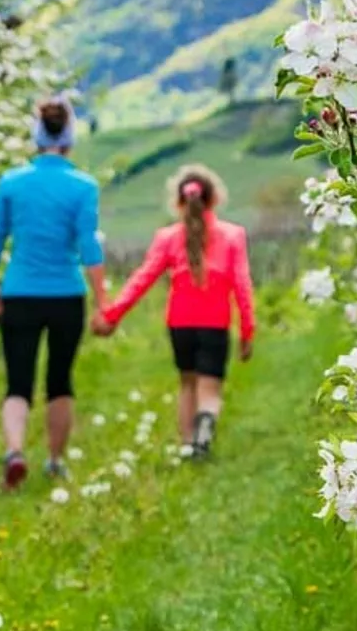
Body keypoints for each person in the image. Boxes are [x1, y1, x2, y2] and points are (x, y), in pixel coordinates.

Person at [0, 96, 108, 490]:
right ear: (69, 138)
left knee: (18, 382)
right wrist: (103, 303)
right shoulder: (83, 187)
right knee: (59, 380)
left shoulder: (11, 183)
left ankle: (15, 451)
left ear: (35, 136)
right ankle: (54, 461)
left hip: (19, 292)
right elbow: (89, 246)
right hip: (67, 294)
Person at [93, 164, 255, 458]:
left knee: (187, 383)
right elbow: (242, 285)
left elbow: (142, 279)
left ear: (179, 202)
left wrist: (111, 314)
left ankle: (187, 444)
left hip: (180, 324)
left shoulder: (167, 238)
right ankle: (205, 426)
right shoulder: (233, 236)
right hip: (215, 323)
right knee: (210, 390)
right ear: (214, 198)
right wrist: (247, 330)